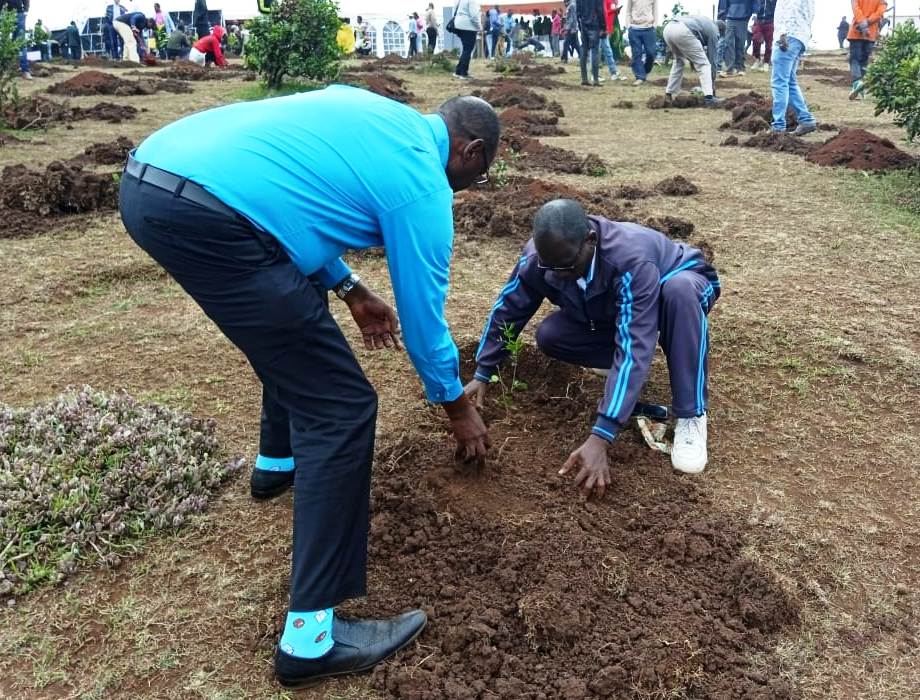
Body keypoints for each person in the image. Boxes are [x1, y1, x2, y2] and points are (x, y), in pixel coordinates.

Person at [120, 86, 496, 687]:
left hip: (152, 178)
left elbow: (286, 204)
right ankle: (310, 641)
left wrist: (350, 289)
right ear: (471, 153)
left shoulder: (379, 116)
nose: (464, 190)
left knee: (293, 321)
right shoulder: (424, 183)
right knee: (342, 407)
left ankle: (277, 463)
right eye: (474, 180)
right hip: (210, 212)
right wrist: (455, 406)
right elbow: (425, 321)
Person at [465, 199, 720, 493]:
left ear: (591, 240)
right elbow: (510, 307)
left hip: (678, 280)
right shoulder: (540, 257)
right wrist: (484, 370)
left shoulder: (630, 259)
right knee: (551, 334)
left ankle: (691, 415)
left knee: (678, 294)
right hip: (617, 303)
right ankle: (621, 380)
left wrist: (602, 435)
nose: (558, 275)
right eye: (551, 268)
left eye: (567, 266)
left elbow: (636, 344)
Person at [771, 0, 816, 135]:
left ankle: (778, 127)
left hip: (788, 36)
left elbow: (791, 8)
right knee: (789, 81)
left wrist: (783, 33)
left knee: (779, 82)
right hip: (800, 36)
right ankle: (806, 119)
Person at [663, 16, 724, 107]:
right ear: (720, 31)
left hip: (668, 29)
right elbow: (712, 59)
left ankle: (668, 94)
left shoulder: (705, 22)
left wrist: (693, 61)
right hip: (683, 30)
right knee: (704, 64)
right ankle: (709, 98)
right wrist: (712, 84)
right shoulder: (714, 32)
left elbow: (693, 45)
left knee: (679, 62)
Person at [847, 0, 887, 100]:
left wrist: (862, 22)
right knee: (864, 62)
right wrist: (869, 22)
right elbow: (880, 12)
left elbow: (856, 9)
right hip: (871, 34)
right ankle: (859, 89)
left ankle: (857, 82)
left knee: (854, 60)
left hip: (857, 31)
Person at [623, 0, 658, 85]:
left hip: (649, 28)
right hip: (634, 28)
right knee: (636, 54)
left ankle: (644, 72)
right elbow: (628, 11)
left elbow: (655, 11)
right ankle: (639, 77)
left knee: (651, 53)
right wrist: (628, 26)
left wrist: (654, 25)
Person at [717, 0, 755, 76]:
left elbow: (755, 2)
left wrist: (754, 14)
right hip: (730, 18)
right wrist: (721, 17)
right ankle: (729, 69)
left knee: (740, 43)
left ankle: (740, 67)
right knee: (728, 43)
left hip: (744, 18)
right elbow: (723, 4)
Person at [577, 0, 604, 86]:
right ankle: (595, 80)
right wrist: (603, 26)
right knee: (595, 51)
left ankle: (584, 79)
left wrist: (580, 25)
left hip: (583, 24)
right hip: (594, 24)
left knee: (584, 51)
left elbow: (577, 12)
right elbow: (600, 10)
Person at [452, 0, 481, 79]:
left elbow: (454, 11)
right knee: (468, 50)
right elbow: (474, 15)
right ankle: (463, 73)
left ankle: (458, 71)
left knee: (465, 49)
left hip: (459, 25)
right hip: (468, 26)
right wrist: (479, 27)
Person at [600, 0, 627, 81]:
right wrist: (614, 10)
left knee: (607, 50)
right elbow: (603, 12)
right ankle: (594, 74)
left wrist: (617, 10)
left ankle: (613, 73)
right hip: (603, 27)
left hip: (609, 27)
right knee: (598, 50)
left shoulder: (614, 1)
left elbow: (613, 14)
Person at [751, 0, 775, 71]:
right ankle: (757, 59)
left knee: (769, 43)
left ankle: (766, 62)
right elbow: (754, 5)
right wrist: (754, 14)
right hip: (759, 20)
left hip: (770, 21)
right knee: (755, 39)